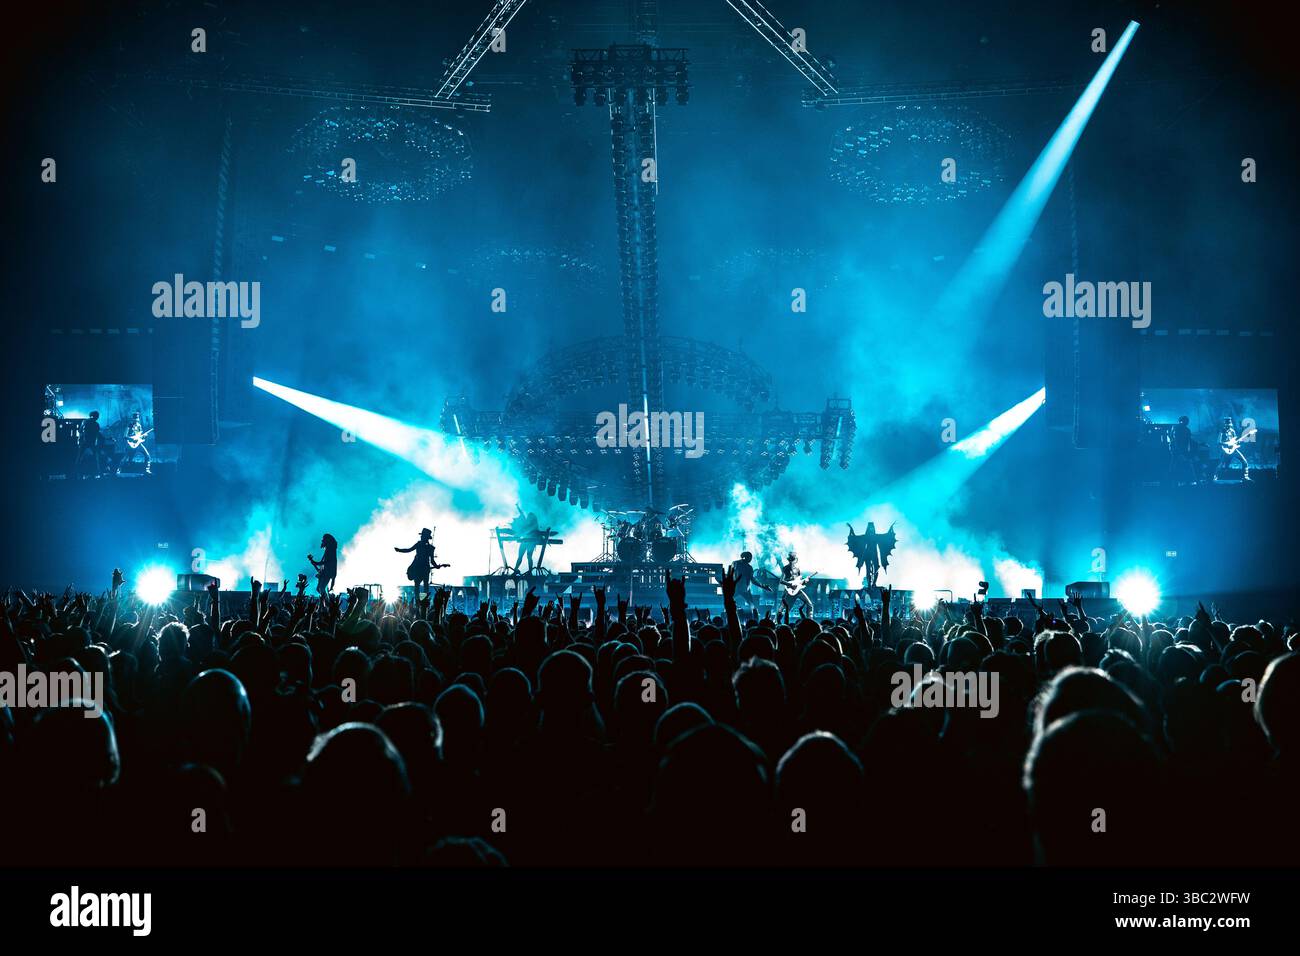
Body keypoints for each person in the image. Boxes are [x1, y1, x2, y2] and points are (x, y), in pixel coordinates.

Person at [395, 528, 449, 604]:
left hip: (419, 569)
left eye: (422, 536)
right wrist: (438, 566)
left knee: (419, 586)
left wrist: (399, 550)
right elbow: (432, 561)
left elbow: (409, 550)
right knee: (423, 586)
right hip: (424, 569)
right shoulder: (429, 547)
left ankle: (420, 601)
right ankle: (421, 600)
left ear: (425, 537)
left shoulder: (420, 545)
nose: (421, 537)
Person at [1214, 416, 1251, 482]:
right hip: (1225, 451)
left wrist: (1238, 442)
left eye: (1229, 423)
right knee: (1220, 464)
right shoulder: (1222, 432)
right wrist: (1227, 444)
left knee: (1244, 462)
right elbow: (1218, 442)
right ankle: (1214, 477)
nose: (1228, 425)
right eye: (1227, 424)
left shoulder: (1232, 431)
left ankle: (1245, 477)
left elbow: (1235, 441)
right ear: (1225, 424)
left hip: (1234, 450)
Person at [779, 550, 814, 619]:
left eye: (793, 559)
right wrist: (790, 585)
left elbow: (799, 581)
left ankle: (809, 621)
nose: (792, 561)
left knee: (809, 604)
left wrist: (805, 581)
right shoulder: (785, 568)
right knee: (786, 609)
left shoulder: (797, 569)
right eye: (791, 559)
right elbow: (781, 581)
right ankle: (777, 623)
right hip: (790, 591)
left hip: (797, 590)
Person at [308, 533, 338, 601]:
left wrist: (316, 563)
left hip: (327, 572)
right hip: (325, 572)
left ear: (327, 541)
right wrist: (315, 562)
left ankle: (327, 602)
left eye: (323, 540)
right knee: (320, 589)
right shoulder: (328, 550)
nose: (322, 541)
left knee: (321, 588)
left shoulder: (330, 550)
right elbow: (324, 563)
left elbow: (326, 562)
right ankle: (326, 601)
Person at [121, 411, 152, 475]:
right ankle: (118, 469)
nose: (136, 419)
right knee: (126, 458)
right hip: (130, 445)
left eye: (137, 418)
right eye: (135, 418)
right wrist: (131, 439)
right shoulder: (129, 425)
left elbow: (140, 436)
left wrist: (144, 437)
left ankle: (147, 470)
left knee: (147, 456)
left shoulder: (139, 426)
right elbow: (124, 436)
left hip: (138, 444)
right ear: (132, 418)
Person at [75, 410, 104, 479]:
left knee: (79, 457)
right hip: (91, 442)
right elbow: (97, 434)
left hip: (84, 442)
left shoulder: (84, 422)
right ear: (96, 416)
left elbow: (79, 431)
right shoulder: (96, 424)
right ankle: (96, 472)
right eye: (97, 416)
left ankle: (76, 472)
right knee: (95, 457)